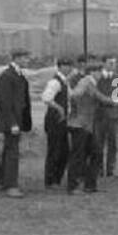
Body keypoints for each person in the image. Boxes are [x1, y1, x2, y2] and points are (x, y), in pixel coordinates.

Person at [66, 60, 116, 194]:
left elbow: (98, 97)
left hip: (86, 125)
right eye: (99, 71)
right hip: (79, 125)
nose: (101, 73)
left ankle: (89, 185)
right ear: (92, 72)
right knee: (78, 156)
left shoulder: (91, 82)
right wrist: (114, 101)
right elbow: (77, 94)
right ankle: (73, 186)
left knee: (96, 153)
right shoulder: (86, 82)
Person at [0, 48, 32, 197]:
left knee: (9, 149)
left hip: (16, 119)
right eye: (25, 58)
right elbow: (5, 102)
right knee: (13, 152)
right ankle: (11, 185)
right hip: (11, 120)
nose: (28, 60)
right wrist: (12, 123)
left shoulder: (18, 74)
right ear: (17, 58)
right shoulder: (7, 76)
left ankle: (3, 179)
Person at [40, 58, 75, 188]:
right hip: (55, 120)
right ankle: (50, 180)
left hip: (63, 120)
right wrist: (59, 108)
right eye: (66, 66)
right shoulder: (55, 82)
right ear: (59, 67)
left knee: (63, 150)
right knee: (55, 150)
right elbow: (46, 98)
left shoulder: (65, 82)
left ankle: (56, 179)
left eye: (70, 66)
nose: (69, 69)